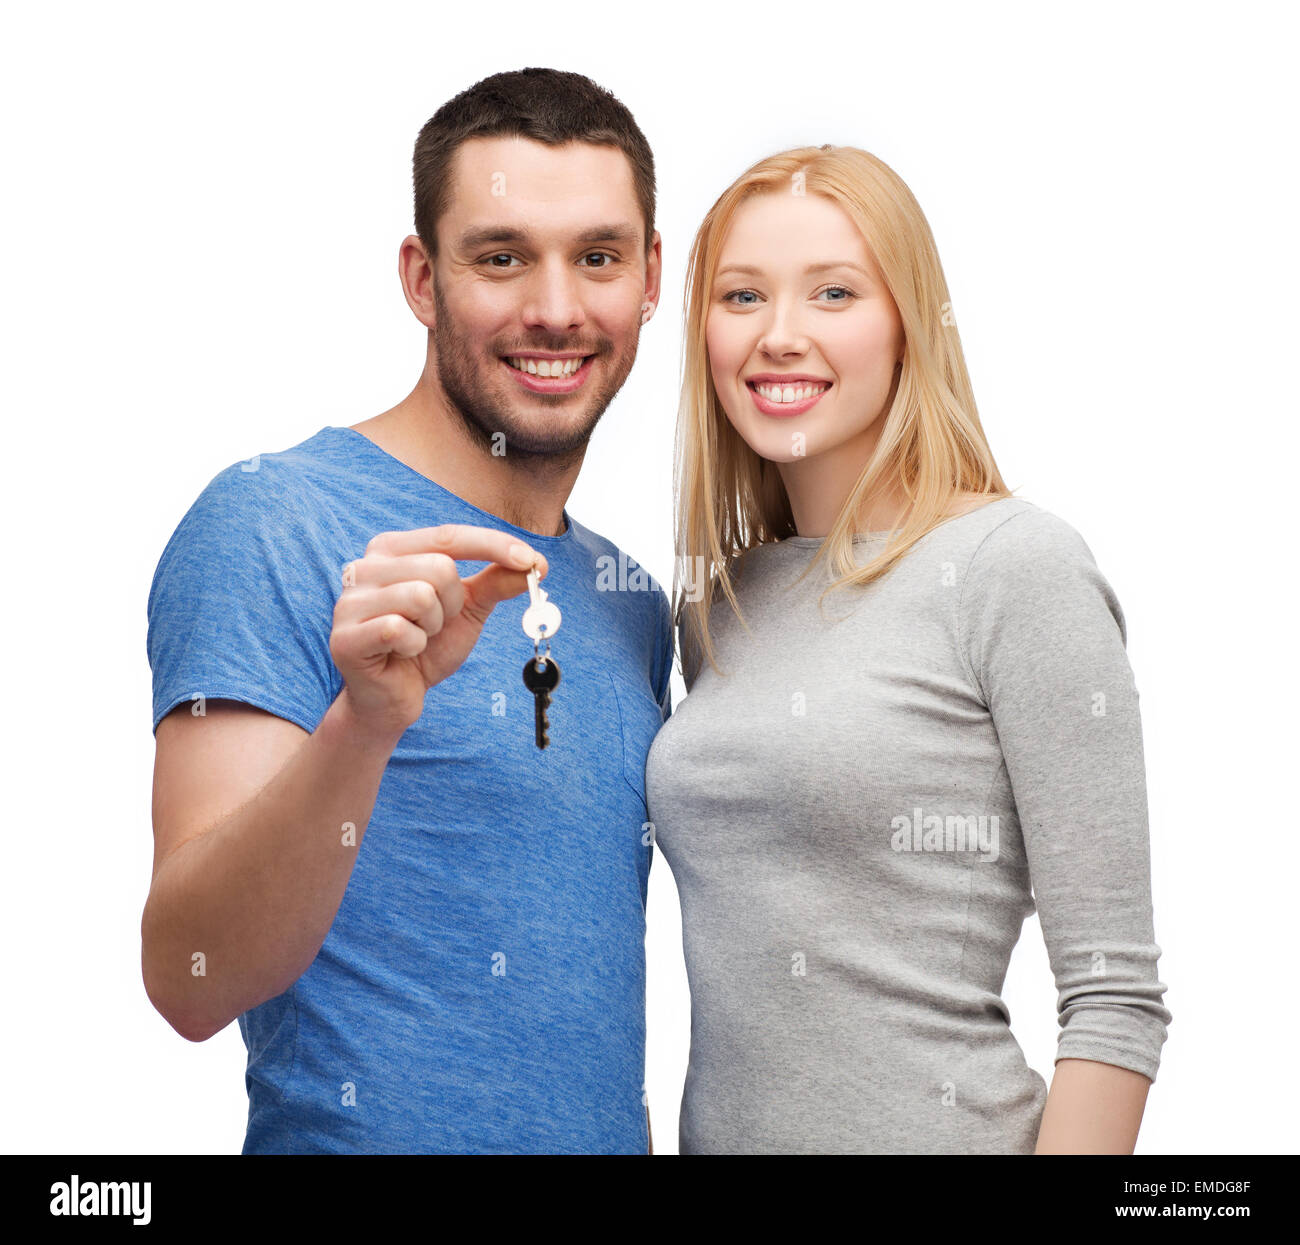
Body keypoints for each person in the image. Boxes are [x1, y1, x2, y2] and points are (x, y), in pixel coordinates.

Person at [142, 68, 670, 1155]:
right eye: (502, 256)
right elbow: (189, 979)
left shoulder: (635, 606)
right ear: (422, 279)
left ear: (650, 278)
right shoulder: (271, 520)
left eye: (598, 257)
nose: (557, 309)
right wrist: (366, 722)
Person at [644, 144, 1172, 1154]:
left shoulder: (1016, 567)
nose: (779, 336)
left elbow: (1113, 993)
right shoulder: (721, 605)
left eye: (833, 292)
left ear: (907, 327)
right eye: (741, 295)